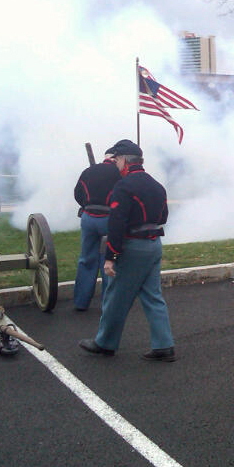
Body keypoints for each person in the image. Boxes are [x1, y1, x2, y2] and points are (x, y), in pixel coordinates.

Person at [79, 139, 176, 361]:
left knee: (114, 297)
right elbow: (163, 218)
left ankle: (104, 343)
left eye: (116, 160)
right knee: (153, 297)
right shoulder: (156, 185)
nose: (115, 164)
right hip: (153, 246)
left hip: (133, 247)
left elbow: (116, 224)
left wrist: (111, 257)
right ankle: (164, 345)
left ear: (123, 160)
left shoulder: (124, 186)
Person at [73, 148, 121, 311]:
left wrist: (87, 205)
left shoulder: (88, 171)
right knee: (109, 260)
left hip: (88, 218)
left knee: (86, 259)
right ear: (116, 159)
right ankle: (108, 304)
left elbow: (78, 194)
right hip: (109, 219)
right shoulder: (119, 173)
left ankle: (80, 302)